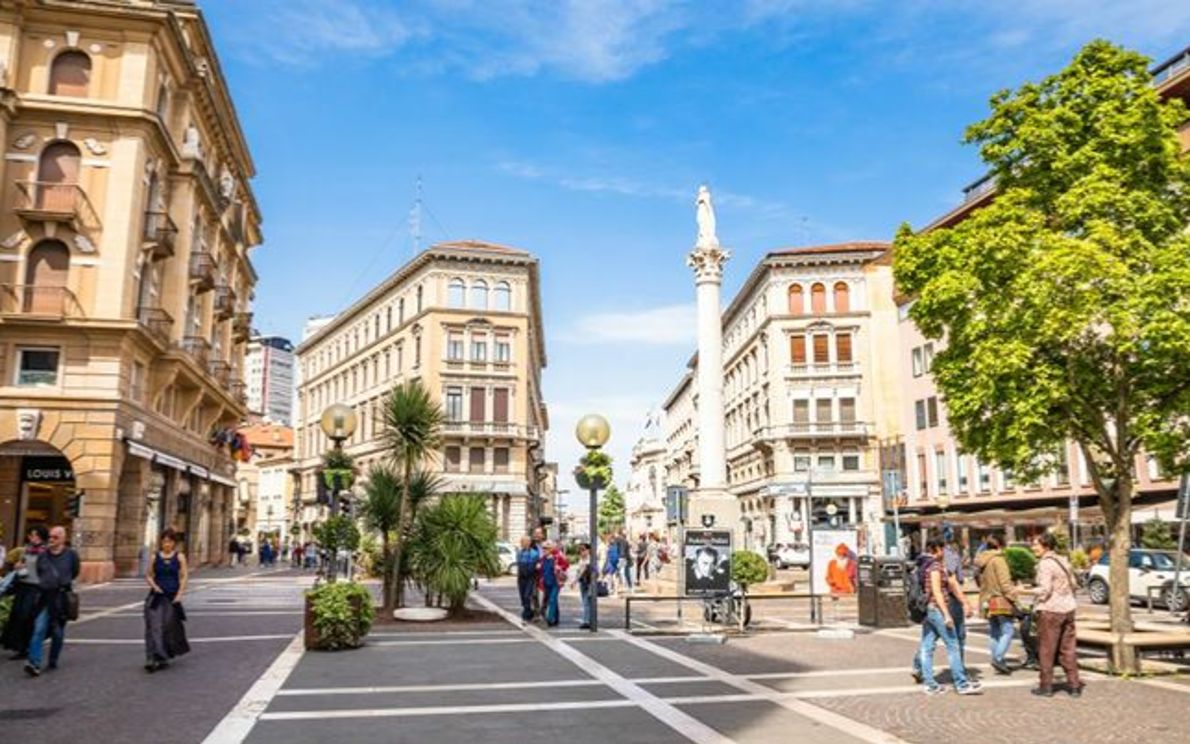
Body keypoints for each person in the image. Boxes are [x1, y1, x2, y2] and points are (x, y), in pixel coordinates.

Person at [915, 537, 980, 696]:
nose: (945, 552)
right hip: (937, 609)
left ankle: (930, 684)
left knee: (927, 645)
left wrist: (965, 602)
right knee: (953, 645)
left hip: (929, 610)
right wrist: (946, 614)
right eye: (943, 548)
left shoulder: (925, 565)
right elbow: (937, 592)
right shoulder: (935, 567)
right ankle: (961, 683)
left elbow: (952, 583)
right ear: (937, 549)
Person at [1032, 532, 1083, 698]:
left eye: (1036, 545)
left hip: (1051, 610)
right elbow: (1074, 583)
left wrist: (1023, 590)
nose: (1033, 548)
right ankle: (1074, 685)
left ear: (1045, 546)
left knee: (1047, 649)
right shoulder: (1063, 560)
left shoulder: (1045, 564)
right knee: (1068, 648)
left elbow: (1045, 590)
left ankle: (1046, 686)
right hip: (1068, 608)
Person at [25, 526, 79, 676]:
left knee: (57, 632)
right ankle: (34, 662)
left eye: (55, 537)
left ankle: (53, 658)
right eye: (50, 537)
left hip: (61, 598)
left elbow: (75, 572)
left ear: (63, 538)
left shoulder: (71, 555)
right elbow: (38, 571)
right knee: (39, 629)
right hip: (45, 596)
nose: (51, 540)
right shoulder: (43, 555)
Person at [144, 528, 190, 672]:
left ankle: (163, 656)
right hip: (156, 597)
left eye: (169, 542)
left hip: (172, 597)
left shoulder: (180, 557)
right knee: (153, 626)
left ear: (174, 543)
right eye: (164, 542)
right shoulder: (155, 557)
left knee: (167, 627)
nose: (167, 544)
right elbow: (149, 575)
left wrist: (179, 594)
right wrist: (154, 586)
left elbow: (184, 576)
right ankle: (152, 658)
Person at [974, 534, 1019, 675]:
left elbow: (978, 580)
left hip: (987, 600)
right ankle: (998, 658)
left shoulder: (982, 560)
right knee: (1008, 630)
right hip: (1000, 599)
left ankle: (996, 658)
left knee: (994, 632)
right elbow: (1005, 583)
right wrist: (1015, 599)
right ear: (1000, 545)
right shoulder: (998, 560)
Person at [2, 527, 47, 660]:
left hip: (36, 588)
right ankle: (20, 647)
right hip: (23, 586)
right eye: (32, 535)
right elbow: (14, 564)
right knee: (17, 616)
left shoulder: (44, 552)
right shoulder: (25, 551)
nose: (33, 538)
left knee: (27, 617)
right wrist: (17, 566)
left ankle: (28, 646)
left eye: (36, 535)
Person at [538, 541, 569, 627]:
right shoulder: (543, 558)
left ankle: (550, 619)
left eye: (546, 548)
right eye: (543, 548)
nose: (544, 550)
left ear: (551, 549)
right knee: (553, 600)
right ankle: (556, 618)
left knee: (552, 600)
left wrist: (559, 567)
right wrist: (538, 567)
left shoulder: (557, 557)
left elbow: (566, 564)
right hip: (546, 583)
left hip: (556, 582)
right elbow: (540, 569)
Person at [515, 535, 540, 621]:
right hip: (521, 577)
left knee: (527, 595)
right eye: (522, 542)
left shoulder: (534, 553)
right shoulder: (519, 553)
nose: (523, 544)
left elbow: (537, 566)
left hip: (530, 577)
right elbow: (519, 565)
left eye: (526, 542)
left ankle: (527, 612)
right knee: (522, 596)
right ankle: (527, 610)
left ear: (529, 543)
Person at [576, 543, 594, 629]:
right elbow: (579, 571)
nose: (581, 552)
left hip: (589, 583)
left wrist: (574, 581)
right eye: (580, 550)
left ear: (588, 550)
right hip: (583, 582)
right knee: (585, 602)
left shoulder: (590, 560)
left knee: (587, 602)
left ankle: (587, 621)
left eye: (583, 550)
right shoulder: (581, 559)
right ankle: (589, 619)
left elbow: (584, 571)